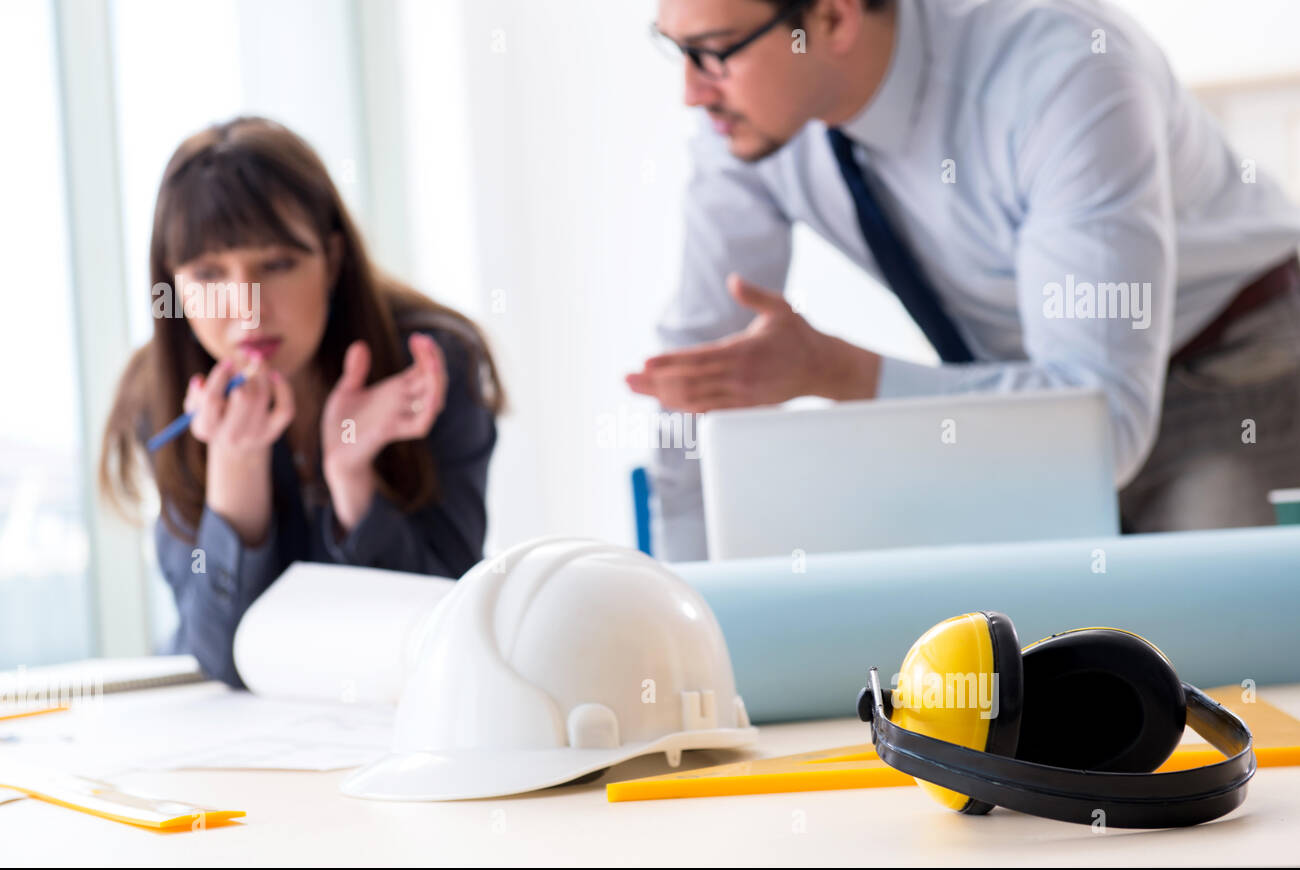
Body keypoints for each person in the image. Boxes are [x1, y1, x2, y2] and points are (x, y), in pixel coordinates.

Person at [629, 0, 1300, 560]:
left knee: (1211, 666)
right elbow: (694, 382)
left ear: (832, 18)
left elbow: (1103, 426)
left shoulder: (1063, 72)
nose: (691, 90)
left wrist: (841, 375)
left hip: (1231, 363)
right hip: (1030, 402)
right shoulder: (746, 124)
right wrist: (686, 614)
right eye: (675, 50)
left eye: (714, 52)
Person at [100, 117, 504, 686]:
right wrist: (234, 471)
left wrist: (351, 478)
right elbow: (220, 660)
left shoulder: (427, 364)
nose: (245, 308)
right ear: (173, 284)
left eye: (277, 265)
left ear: (332, 259)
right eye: (209, 273)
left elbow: (440, 632)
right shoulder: (159, 393)